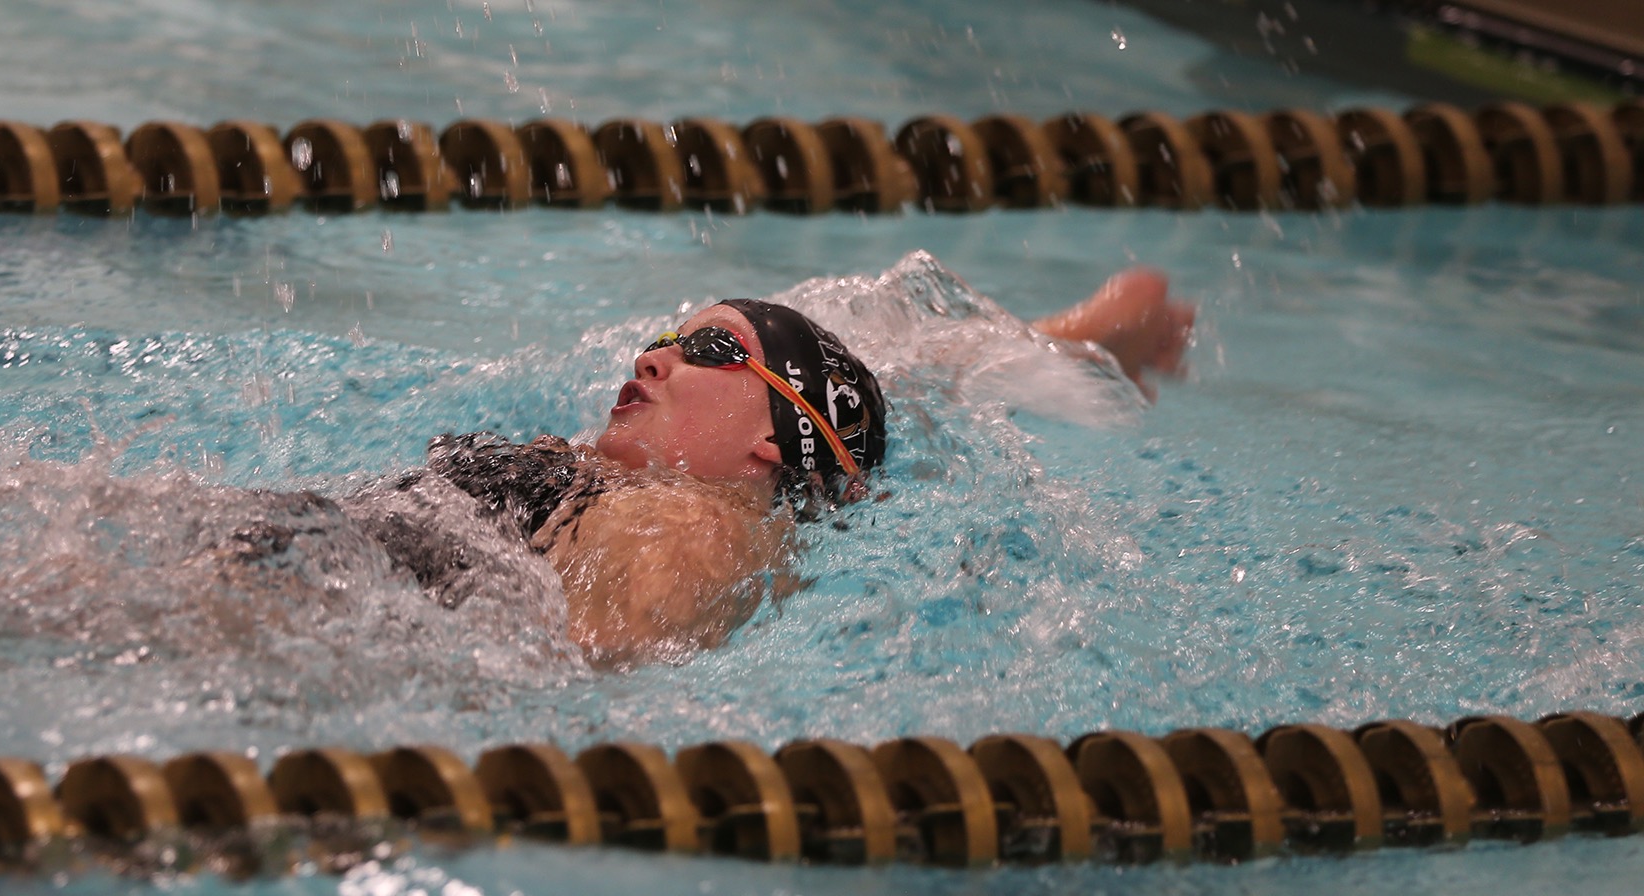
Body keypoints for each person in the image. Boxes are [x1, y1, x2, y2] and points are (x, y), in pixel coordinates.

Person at [343, 266, 1194, 667]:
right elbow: (892, 373)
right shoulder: (641, 482)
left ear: (773, 445)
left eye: (709, 348)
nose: (652, 359)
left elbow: (583, 667)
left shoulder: (696, 522)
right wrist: (1078, 336)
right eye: (663, 340)